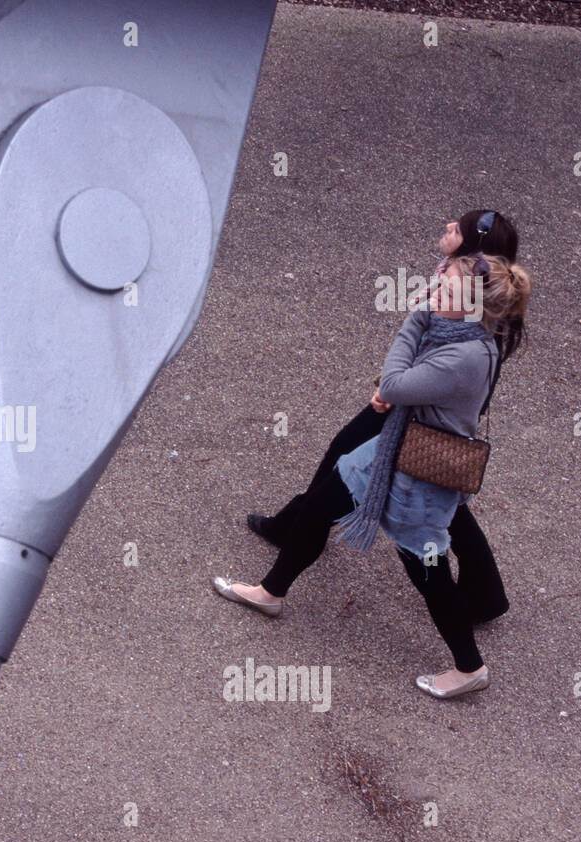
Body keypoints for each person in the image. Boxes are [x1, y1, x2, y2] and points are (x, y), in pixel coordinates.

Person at [211, 252, 531, 699]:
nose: (435, 292)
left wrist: (413, 323)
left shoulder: (464, 355)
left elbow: (397, 384)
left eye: (448, 291)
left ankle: (469, 667)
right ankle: (271, 592)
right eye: (441, 283)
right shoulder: (459, 332)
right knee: (320, 504)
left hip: (417, 482)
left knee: (430, 573)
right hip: (388, 455)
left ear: (475, 309)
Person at [247, 210, 518, 624]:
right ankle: (486, 595)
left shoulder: (466, 294)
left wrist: (394, 388)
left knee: (361, 461)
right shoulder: (463, 282)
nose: (447, 228)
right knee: (438, 493)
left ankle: (294, 527)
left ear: (472, 249)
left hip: (421, 408)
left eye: (456, 229)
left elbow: (435, 361)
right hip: (419, 397)